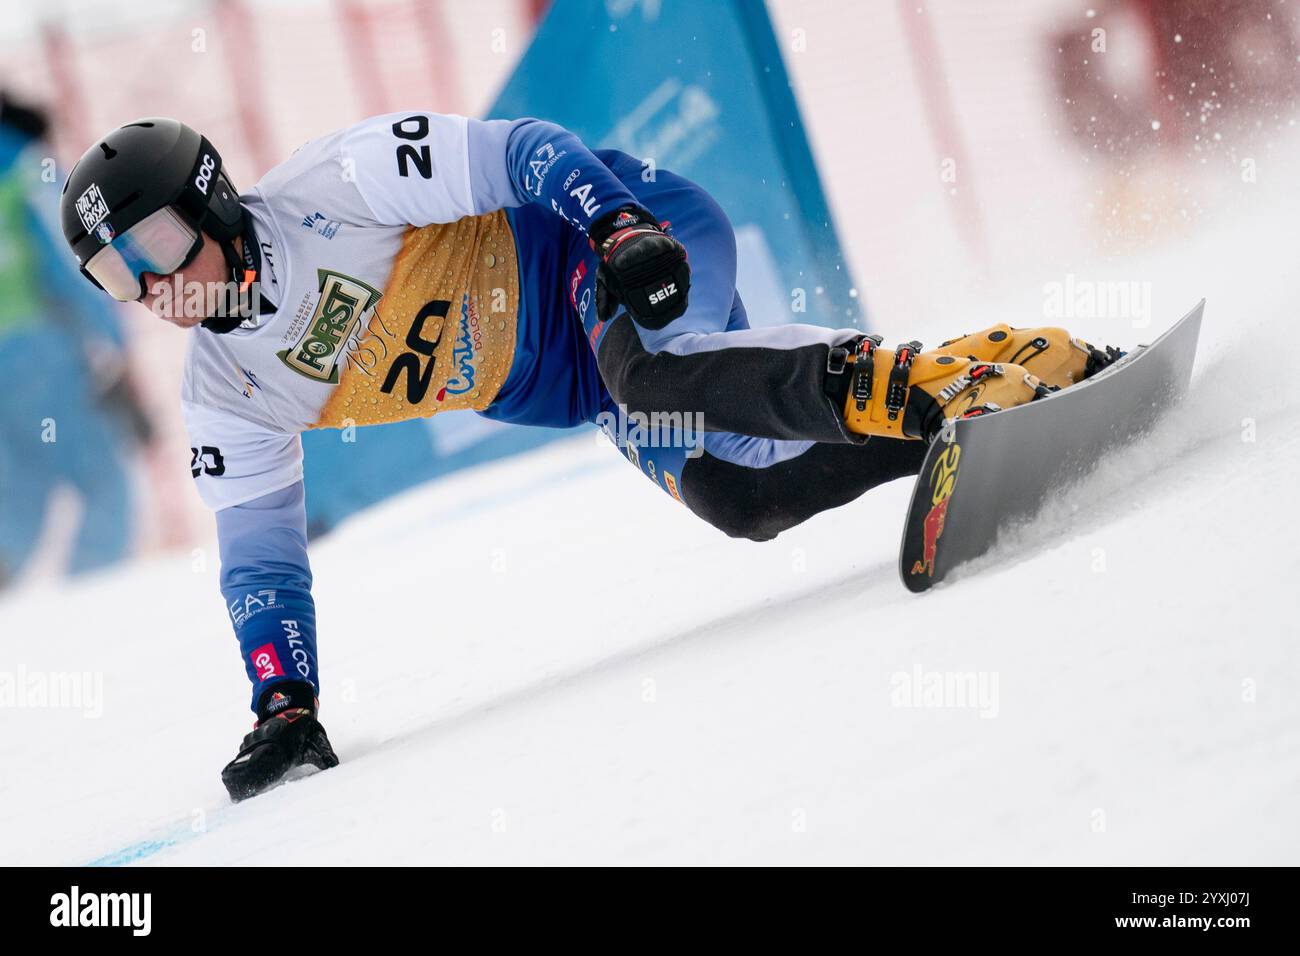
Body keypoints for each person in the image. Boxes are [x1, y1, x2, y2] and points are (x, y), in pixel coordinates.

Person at [59, 113, 1118, 800]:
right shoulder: (226, 391)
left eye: (150, 251)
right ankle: (960, 399)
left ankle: (939, 380)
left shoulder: (336, 182)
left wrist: (614, 228)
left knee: (654, 377)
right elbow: (260, 559)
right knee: (740, 490)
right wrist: (284, 702)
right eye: (113, 277)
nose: (149, 292)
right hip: (579, 369)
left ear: (215, 205)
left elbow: (520, 147)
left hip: (605, 245)